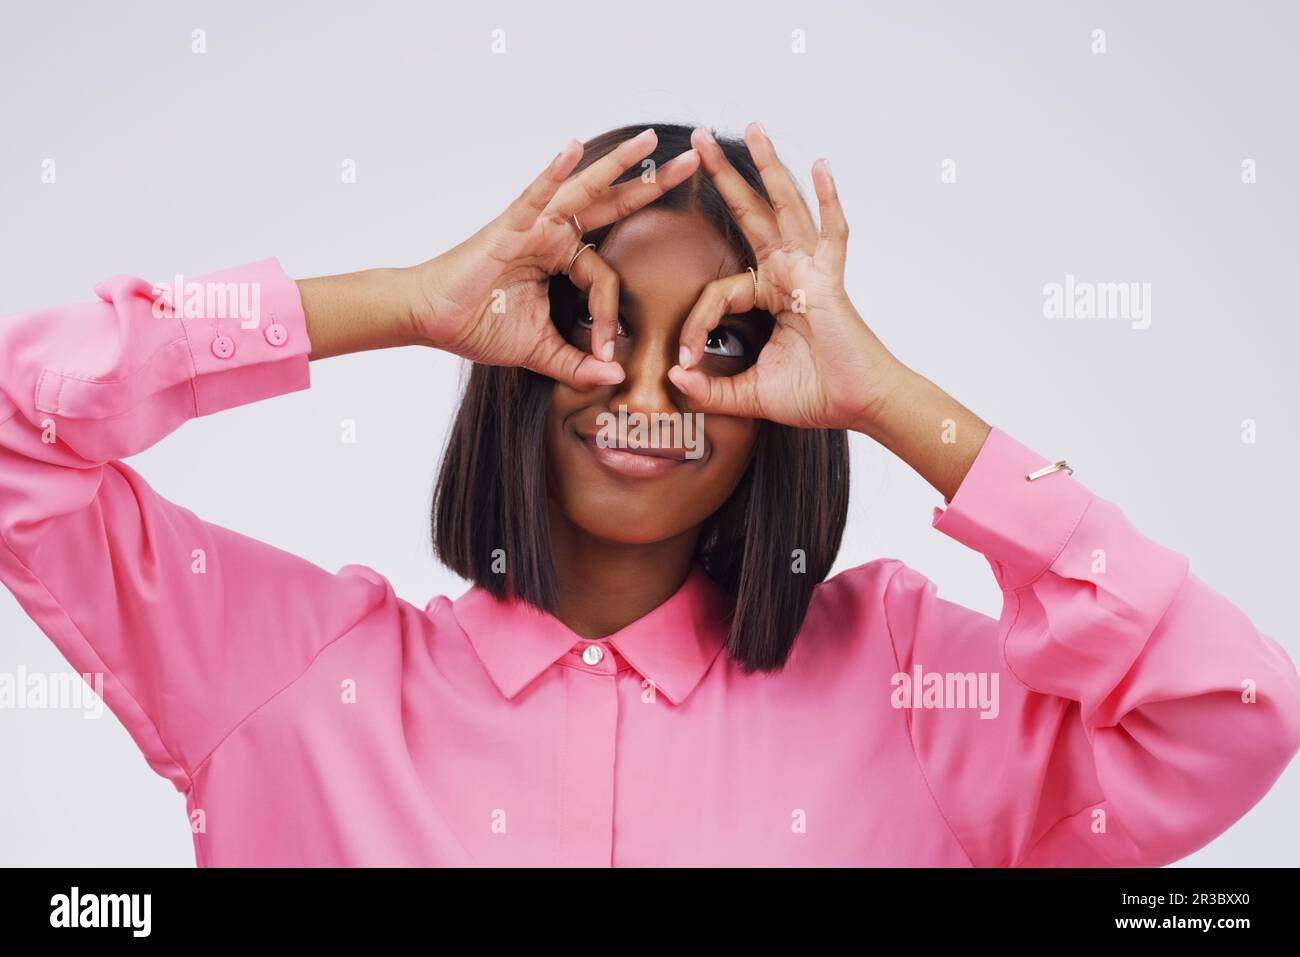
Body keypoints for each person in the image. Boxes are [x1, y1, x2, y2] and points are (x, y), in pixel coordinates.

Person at [1, 122, 1297, 867]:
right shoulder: (282, 672)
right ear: (515, 352)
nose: (652, 385)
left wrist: (894, 396)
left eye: (723, 340)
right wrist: (398, 303)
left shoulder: (902, 685)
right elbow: (19, 425)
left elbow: (1233, 714)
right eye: (592, 316)